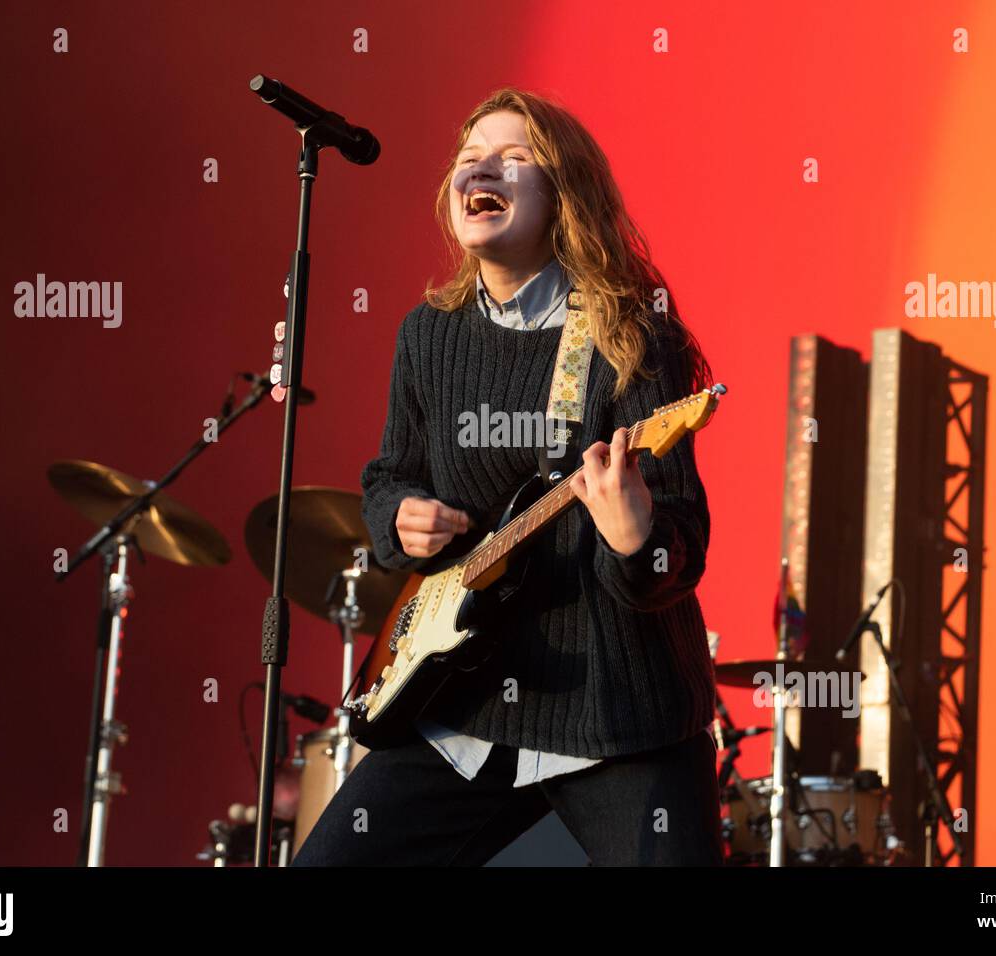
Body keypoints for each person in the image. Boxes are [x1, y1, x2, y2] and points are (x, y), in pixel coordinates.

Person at [294, 88, 721, 866]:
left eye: (513, 157)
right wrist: (398, 521)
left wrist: (635, 540)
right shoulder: (429, 334)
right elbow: (389, 475)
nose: (480, 168)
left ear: (565, 195)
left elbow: (680, 543)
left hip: (617, 712)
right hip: (464, 698)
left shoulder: (632, 333)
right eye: (467, 158)